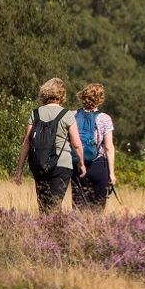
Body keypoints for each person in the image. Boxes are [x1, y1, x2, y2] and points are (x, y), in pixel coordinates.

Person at [14, 78, 87, 212]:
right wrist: (81, 163)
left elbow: (27, 143)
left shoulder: (35, 114)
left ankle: (44, 229)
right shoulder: (67, 115)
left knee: (43, 205)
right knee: (55, 205)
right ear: (62, 94)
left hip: (39, 163)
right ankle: (54, 230)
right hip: (61, 164)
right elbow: (76, 144)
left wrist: (19, 170)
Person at [70, 83, 117, 212]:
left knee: (78, 207)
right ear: (101, 99)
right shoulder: (105, 119)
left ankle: (77, 232)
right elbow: (108, 147)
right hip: (98, 165)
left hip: (78, 165)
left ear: (83, 97)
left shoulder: (72, 115)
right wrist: (112, 173)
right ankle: (94, 232)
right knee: (98, 209)